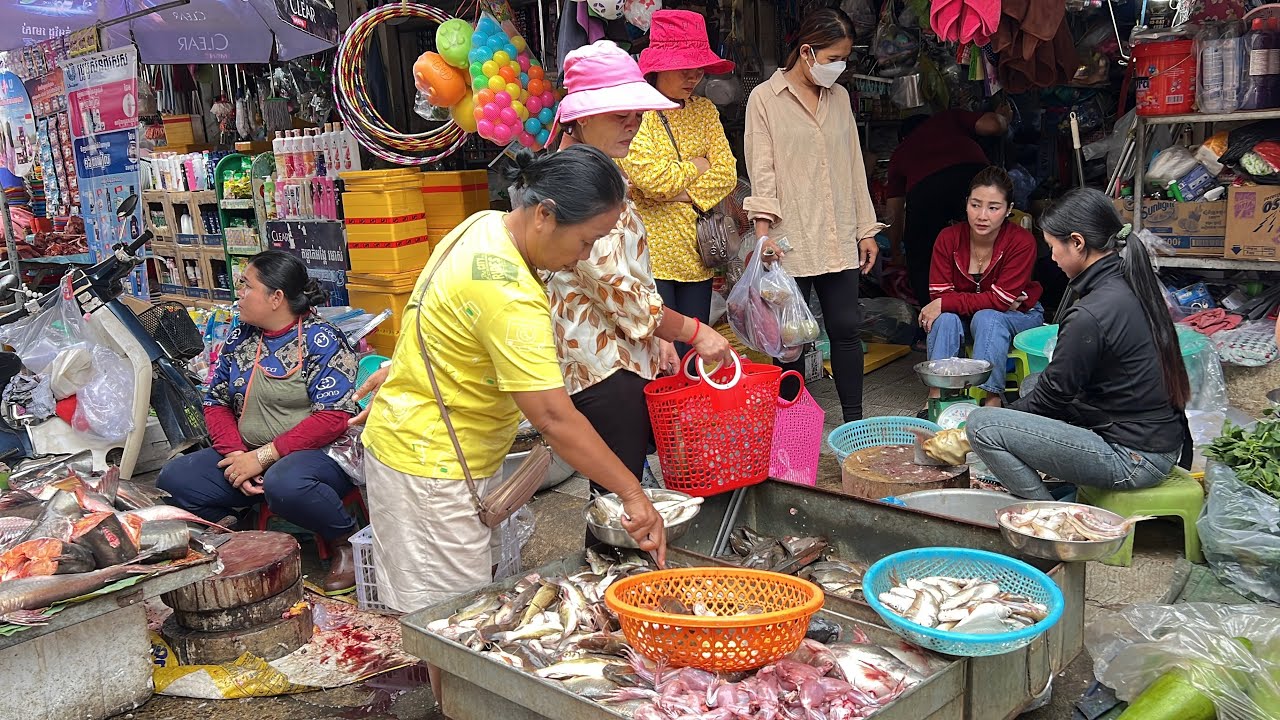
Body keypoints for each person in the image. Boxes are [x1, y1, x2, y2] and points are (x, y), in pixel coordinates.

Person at [355, 145, 666, 618]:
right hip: (431, 472)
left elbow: (434, 316)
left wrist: (409, 369)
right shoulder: (509, 292)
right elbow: (555, 419)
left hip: (423, 446)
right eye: (586, 241)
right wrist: (632, 493)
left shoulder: (483, 224)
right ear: (544, 214)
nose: (585, 256)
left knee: (461, 612)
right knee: (448, 624)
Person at [547, 41, 735, 496]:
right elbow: (621, 291)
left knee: (623, 490)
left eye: (636, 114)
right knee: (621, 498)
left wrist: (655, 340)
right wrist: (694, 332)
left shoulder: (605, 171)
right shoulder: (577, 182)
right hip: (601, 367)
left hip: (622, 359)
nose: (633, 125)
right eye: (619, 115)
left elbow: (627, 277)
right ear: (581, 117)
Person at [966, 189, 1191, 501]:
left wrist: (1001, 423)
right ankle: (1058, 487)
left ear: (1077, 242)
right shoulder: (1126, 281)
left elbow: (1051, 398)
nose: (1053, 258)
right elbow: (1054, 390)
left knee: (981, 426)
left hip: (1134, 458)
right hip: (1158, 440)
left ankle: (1050, 517)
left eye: (1053, 247)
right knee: (1033, 383)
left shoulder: (1092, 311)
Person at [159, 251, 361, 594]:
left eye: (246, 286)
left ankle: (345, 541)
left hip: (317, 455)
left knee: (287, 482)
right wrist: (239, 456)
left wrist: (263, 457)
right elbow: (215, 402)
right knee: (176, 478)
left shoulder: (322, 340)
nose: (238, 293)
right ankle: (239, 530)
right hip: (249, 451)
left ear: (276, 297)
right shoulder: (242, 338)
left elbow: (332, 418)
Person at [743, 8, 884, 423]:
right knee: (790, 340)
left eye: (844, 59)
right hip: (790, 241)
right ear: (806, 52)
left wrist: (866, 230)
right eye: (833, 58)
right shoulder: (764, 100)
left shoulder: (839, 98)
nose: (839, 68)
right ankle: (790, 426)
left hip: (837, 234)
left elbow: (853, 165)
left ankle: (853, 422)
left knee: (845, 329)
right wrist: (762, 235)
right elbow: (761, 170)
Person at [618, 9, 738, 358]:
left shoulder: (704, 110)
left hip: (697, 253)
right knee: (658, 353)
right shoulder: (637, 112)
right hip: (649, 255)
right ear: (658, 65)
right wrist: (698, 167)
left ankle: (691, 413)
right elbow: (652, 179)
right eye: (683, 66)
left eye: (698, 67)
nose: (693, 76)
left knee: (694, 353)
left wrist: (678, 192)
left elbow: (727, 172)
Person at [920, 167, 1044, 408]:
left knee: (989, 317)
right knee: (944, 320)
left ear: (1008, 210)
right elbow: (940, 294)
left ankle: (990, 399)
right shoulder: (948, 238)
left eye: (993, 208)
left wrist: (950, 302)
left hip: (1020, 316)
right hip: (969, 318)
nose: (982, 215)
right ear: (966, 204)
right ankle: (936, 397)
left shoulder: (1021, 242)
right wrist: (952, 302)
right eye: (975, 205)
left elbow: (999, 303)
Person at [886, 108, 1010, 307]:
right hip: (977, 180)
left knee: (921, 254)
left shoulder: (901, 152)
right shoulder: (948, 118)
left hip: (926, 191)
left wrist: (895, 252)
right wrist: (1005, 119)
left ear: (903, 137)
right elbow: (993, 125)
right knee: (991, 242)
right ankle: (995, 301)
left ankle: (931, 314)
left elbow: (894, 210)